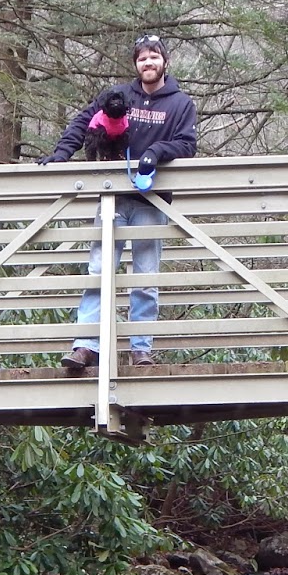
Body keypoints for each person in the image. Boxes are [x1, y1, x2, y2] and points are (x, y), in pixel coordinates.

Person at [37, 33, 197, 373]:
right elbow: (85, 121)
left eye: (154, 56)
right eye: (142, 58)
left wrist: (156, 153)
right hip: (111, 199)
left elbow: (186, 144)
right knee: (98, 272)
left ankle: (141, 349)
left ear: (165, 61)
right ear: (136, 64)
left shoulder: (180, 103)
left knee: (145, 278)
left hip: (152, 202)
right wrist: (62, 153)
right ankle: (85, 347)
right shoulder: (119, 95)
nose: (148, 63)